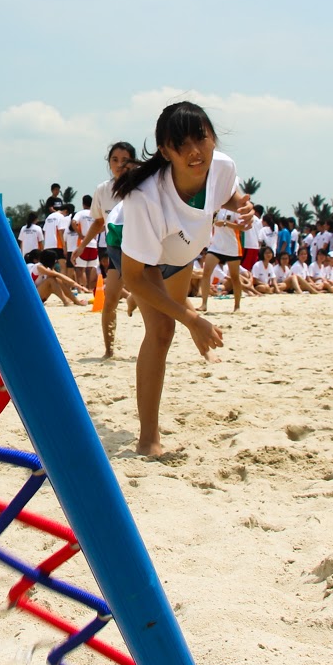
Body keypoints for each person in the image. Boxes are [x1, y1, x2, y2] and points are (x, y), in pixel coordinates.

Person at [114, 101, 251, 459]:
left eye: (201, 138)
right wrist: (192, 319)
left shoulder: (221, 166)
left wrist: (241, 206)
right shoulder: (144, 200)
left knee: (163, 307)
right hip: (134, 251)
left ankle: (147, 301)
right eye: (181, 144)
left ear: (212, 138)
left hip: (180, 251)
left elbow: (229, 189)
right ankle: (147, 439)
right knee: (162, 330)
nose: (195, 151)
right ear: (165, 151)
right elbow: (134, 275)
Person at [86, 142, 137, 359]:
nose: (119, 165)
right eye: (114, 160)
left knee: (157, 300)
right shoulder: (103, 190)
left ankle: (135, 296)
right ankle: (109, 350)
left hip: (141, 252)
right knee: (109, 300)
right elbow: (99, 221)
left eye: (124, 160)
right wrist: (82, 244)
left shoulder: (141, 187)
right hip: (115, 252)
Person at [199, 203, 244, 312]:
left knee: (235, 277)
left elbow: (242, 227)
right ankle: (204, 304)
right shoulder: (216, 208)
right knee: (206, 273)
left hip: (232, 247)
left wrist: (225, 223)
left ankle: (237, 306)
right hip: (216, 246)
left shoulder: (235, 210)